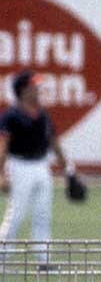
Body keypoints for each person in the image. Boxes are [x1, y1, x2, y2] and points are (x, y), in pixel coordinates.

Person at [0, 71, 74, 265]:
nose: (38, 89)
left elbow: (54, 143)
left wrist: (68, 170)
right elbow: (2, 148)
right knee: (16, 214)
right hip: (19, 165)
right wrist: (1, 175)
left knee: (43, 214)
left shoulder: (42, 115)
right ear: (23, 90)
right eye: (34, 86)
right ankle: (1, 258)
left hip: (41, 165)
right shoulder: (11, 116)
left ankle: (44, 260)